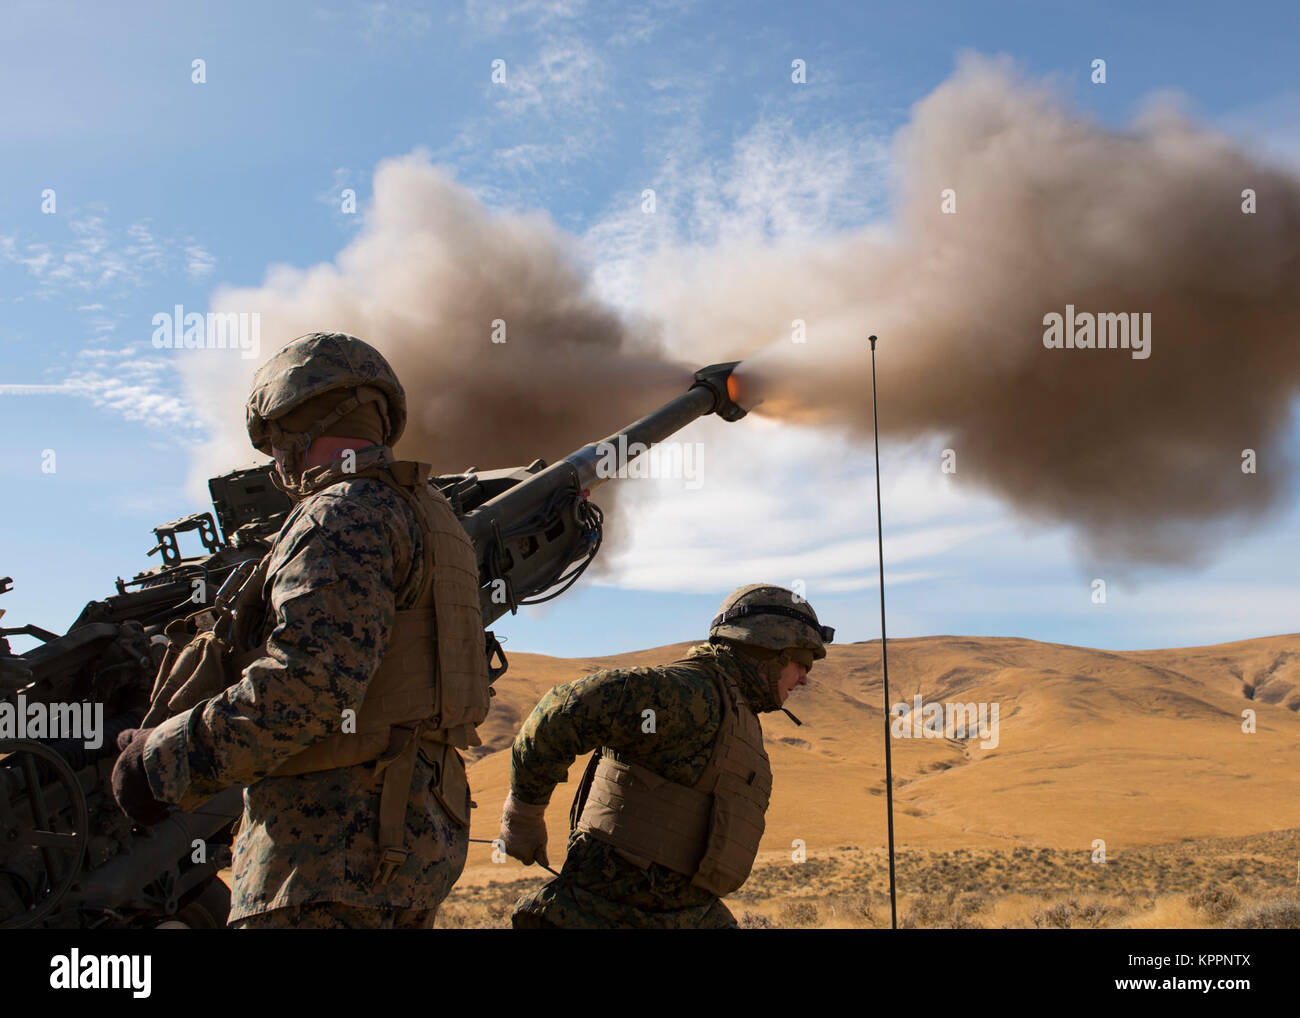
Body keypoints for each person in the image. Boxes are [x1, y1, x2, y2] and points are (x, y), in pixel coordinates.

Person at [111, 331, 491, 929]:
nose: (276, 463)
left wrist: (158, 763)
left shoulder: (338, 514)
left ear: (295, 432)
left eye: (276, 444)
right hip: (409, 845)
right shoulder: (434, 517)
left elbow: (307, 688)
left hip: (327, 855)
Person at [497, 583, 832, 928]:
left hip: (683, 915)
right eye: (802, 662)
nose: (805, 678)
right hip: (601, 914)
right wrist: (523, 816)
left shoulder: (736, 712)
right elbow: (561, 711)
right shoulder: (688, 694)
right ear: (767, 648)